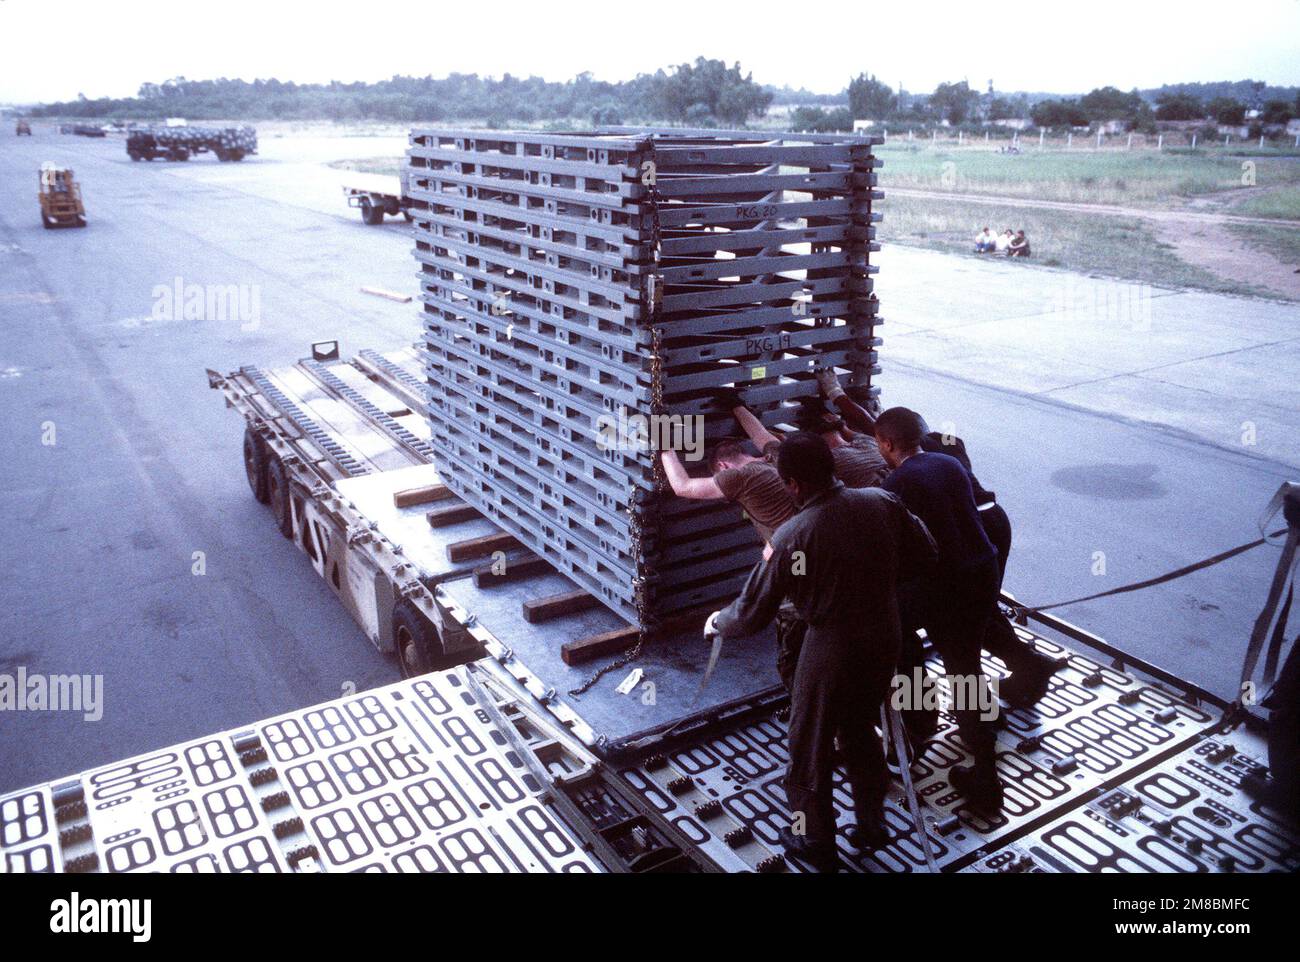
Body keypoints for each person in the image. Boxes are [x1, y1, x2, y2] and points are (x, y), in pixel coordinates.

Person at [706, 433, 938, 870]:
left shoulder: (794, 534)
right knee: (859, 731)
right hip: (885, 634)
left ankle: (812, 839)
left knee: (807, 745)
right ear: (831, 466)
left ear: (791, 484)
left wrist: (717, 622)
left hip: (833, 645)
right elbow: (926, 552)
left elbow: (753, 612)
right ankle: (873, 824)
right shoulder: (879, 501)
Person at [815, 369, 1064, 707]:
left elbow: (868, 427)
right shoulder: (943, 447)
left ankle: (948, 715)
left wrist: (834, 393)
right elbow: (867, 426)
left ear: (892, 438)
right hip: (987, 529)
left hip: (967, 536)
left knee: (956, 641)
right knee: (976, 616)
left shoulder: (907, 471)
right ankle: (1023, 671)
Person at [875, 406, 1004, 812]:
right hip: (983, 573)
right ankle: (983, 762)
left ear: (887, 444)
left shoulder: (898, 483)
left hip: (946, 587)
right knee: (967, 670)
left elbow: (905, 551)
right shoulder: (949, 463)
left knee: (893, 636)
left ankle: (916, 720)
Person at [712, 388, 889, 489]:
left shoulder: (825, 463)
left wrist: (736, 405)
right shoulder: (869, 445)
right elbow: (846, 426)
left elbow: (763, 439)